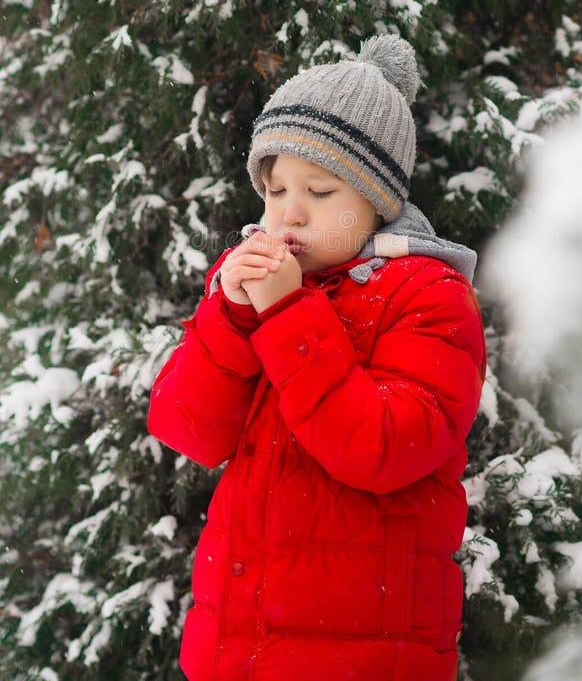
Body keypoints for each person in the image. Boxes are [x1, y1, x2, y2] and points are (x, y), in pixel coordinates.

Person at [147, 35, 486, 681]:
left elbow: (383, 448)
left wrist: (285, 315)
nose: (288, 214)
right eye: (273, 192)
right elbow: (186, 429)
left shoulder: (430, 296)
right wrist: (233, 315)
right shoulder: (260, 289)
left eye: (320, 191)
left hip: (360, 654)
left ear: (377, 200)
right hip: (236, 644)